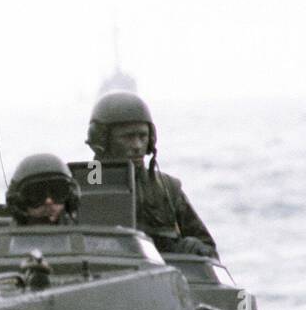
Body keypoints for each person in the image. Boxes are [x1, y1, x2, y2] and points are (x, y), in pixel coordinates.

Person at [85, 91, 217, 257]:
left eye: (143, 136)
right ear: (102, 141)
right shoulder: (86, 183)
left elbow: (209, 249)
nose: (138, 145)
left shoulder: (167, 188)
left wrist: (190, 249)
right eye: (127, 137)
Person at [6, 153, 80, 226]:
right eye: (37, 193)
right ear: (19, 204)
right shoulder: (7, 237)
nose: (48, 201)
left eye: (57, 192)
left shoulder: (84, 235)